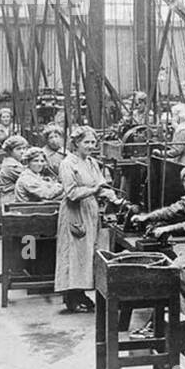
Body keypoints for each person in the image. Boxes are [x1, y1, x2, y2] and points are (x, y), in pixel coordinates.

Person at [132, 164, 185, 318]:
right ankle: (176, 307)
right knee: (177, 258)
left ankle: (183, 311)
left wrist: (167, 229)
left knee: (177, 267)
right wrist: (147, 217)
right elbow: (171, 210)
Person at [54, 125, 119, 313]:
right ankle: (72, 296)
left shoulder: (91, 162)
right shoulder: (68, 163)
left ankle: (80, 292)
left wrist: (114, 198)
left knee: (87, 252)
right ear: (76, 143)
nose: (90, 146)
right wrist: (94, 191)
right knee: (74, 253)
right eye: (86, 142)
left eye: (93, 142)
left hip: (90, 210)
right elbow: (71, 192)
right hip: (75, 211)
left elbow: (101, 184)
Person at [0, 135, 29, 209]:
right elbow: (29, 179)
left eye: (24, 148)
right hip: (9, 200)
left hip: (9, 196)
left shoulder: (12, 162)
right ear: (10, 151)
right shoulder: (12, 166)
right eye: (18, 149)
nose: (22, 151)